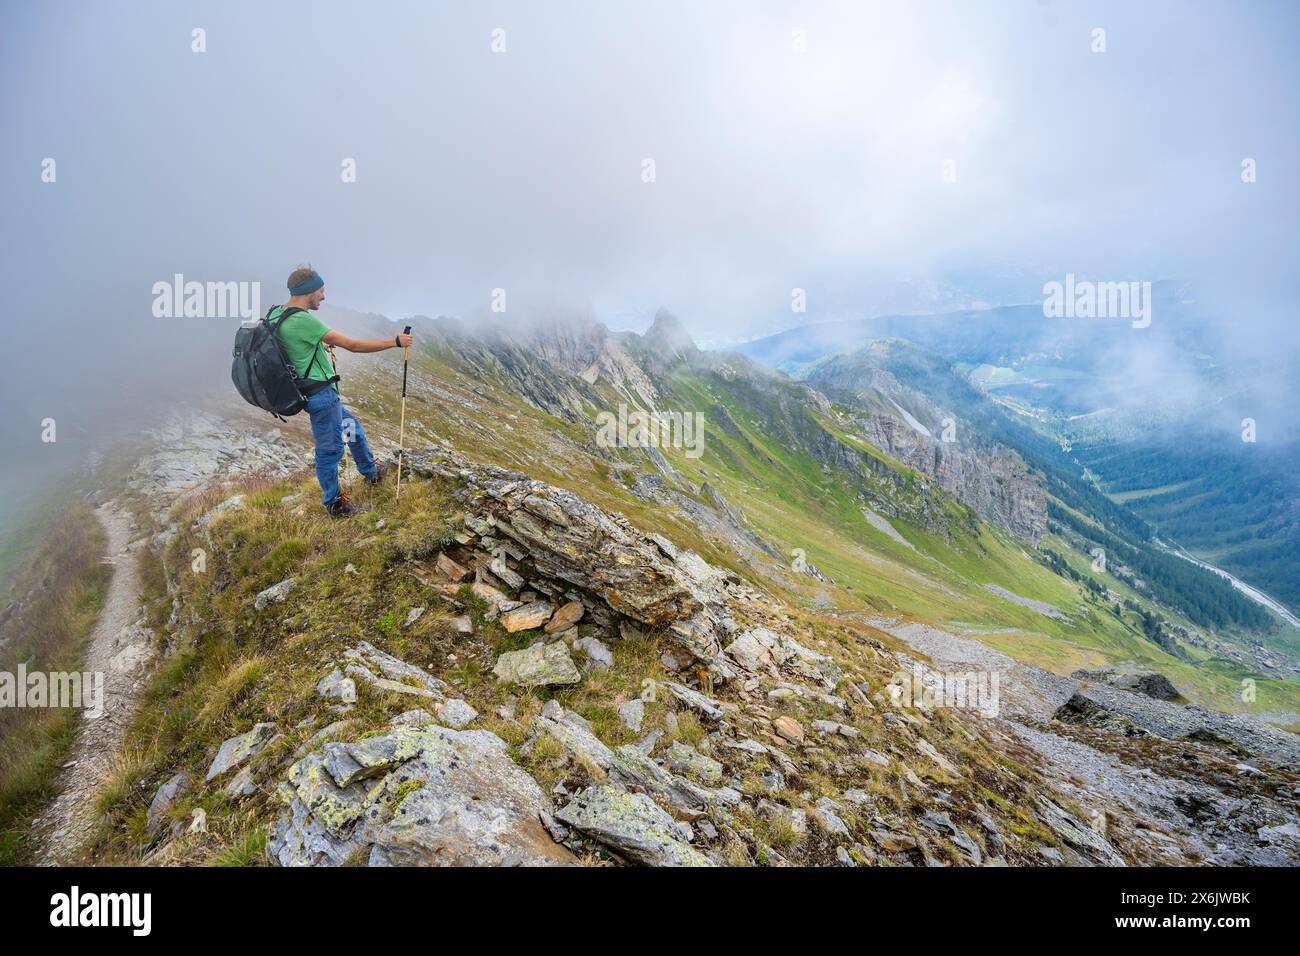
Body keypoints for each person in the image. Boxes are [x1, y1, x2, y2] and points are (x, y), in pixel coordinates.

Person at [270, 265, 413, 517]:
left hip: (313, 392)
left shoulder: (276, 314)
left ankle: (371, 472)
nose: (324, 296)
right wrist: (395, 342)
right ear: (308, 292)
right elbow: (353, 346)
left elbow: (292, 347)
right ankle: (336, 505)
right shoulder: (302, 320)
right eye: (321, 291)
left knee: (352, 427)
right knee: (330, 449)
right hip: (320, 396)